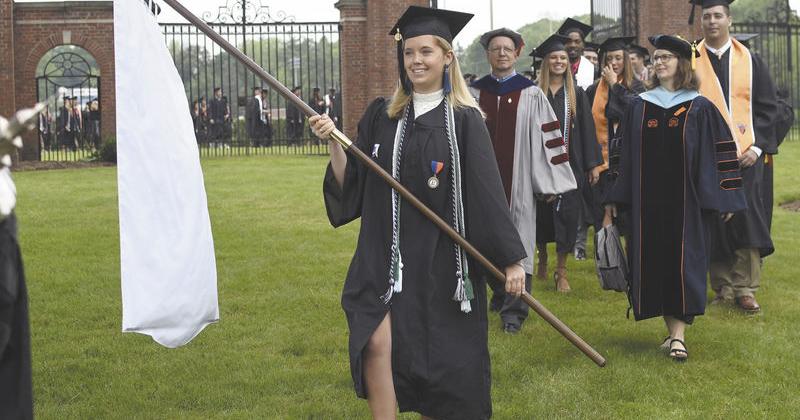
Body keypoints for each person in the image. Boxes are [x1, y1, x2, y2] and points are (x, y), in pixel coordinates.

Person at [309, 6, 526, 418]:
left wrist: (511, 259)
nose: (416, 60)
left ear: (447, 57)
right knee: (375, 342)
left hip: (440, 258)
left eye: (426, 51)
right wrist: (334, 142)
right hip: (384, 254)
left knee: (439, 359)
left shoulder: (465, 121)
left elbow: (486, 195)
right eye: (409, 52)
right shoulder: (382, 115)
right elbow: (352, 183)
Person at [605, 34, 746, 361]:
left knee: (684, 266)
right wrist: (614, 195)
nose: (659, 62)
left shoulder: (700, 107)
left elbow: (721, 154)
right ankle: (673, 334)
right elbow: (620, 152)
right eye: (656, 58)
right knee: (656, 265)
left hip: (688, 204)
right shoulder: (639, 106)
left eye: (666, 57)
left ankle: (678, 337)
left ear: (682, 63)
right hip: (647, 204)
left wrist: (724, 197)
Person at [471, 27, 576, 331]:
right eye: (496, 49)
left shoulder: (531, 93)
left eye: (507, 48)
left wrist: (549, 182)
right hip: (480, 184)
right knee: (482, 239)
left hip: (519, 183)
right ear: (488, 54)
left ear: (516, 54)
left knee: (520, 241)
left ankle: (514, 314)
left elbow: (549, 140)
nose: (502, 53)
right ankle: (498, 291)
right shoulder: (474, 93)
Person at [692, 0, 778, 312]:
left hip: (747, 157)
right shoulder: (691, 61)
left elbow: (770, 109)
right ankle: (722, 287)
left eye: (718, 15)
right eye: (707, 16)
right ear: (701, 22)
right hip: (707, 157)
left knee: (747, 217)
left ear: (729, 20)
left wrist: (757, 147)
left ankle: (745, 287)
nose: (712, 21)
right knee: (714, 218)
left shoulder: (751, 61)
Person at [532, 34, 603, 292]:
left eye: (562, 57)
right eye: (554, 57)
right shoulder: (534, 94)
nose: (559, 61)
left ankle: (561, 271)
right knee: (541, 217)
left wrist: (592, 164)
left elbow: (587, 129)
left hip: (569, 164)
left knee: (568, 216)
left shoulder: (576, 94)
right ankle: (542, 257)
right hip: (540, 163)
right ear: (546, 62)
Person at [585, 36, 645, 234]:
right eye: (609, 58)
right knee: (601, 220)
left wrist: (614, 85)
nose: (614, 63)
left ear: (625, 60)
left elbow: (636, 109)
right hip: (601, 164)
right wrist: (591, 163)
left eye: (618, 58)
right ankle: (607, 255)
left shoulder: (636, 86)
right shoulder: (593, 90)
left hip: (626, 163)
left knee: (628, 221)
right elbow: (587, 127)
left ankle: (631, 254)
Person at [557, 18, 595, 89]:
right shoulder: (556, 68)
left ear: (583, 45)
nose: (573, 45)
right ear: (563, 44)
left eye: (577, 41)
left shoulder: (593, 70)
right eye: (569, 41)